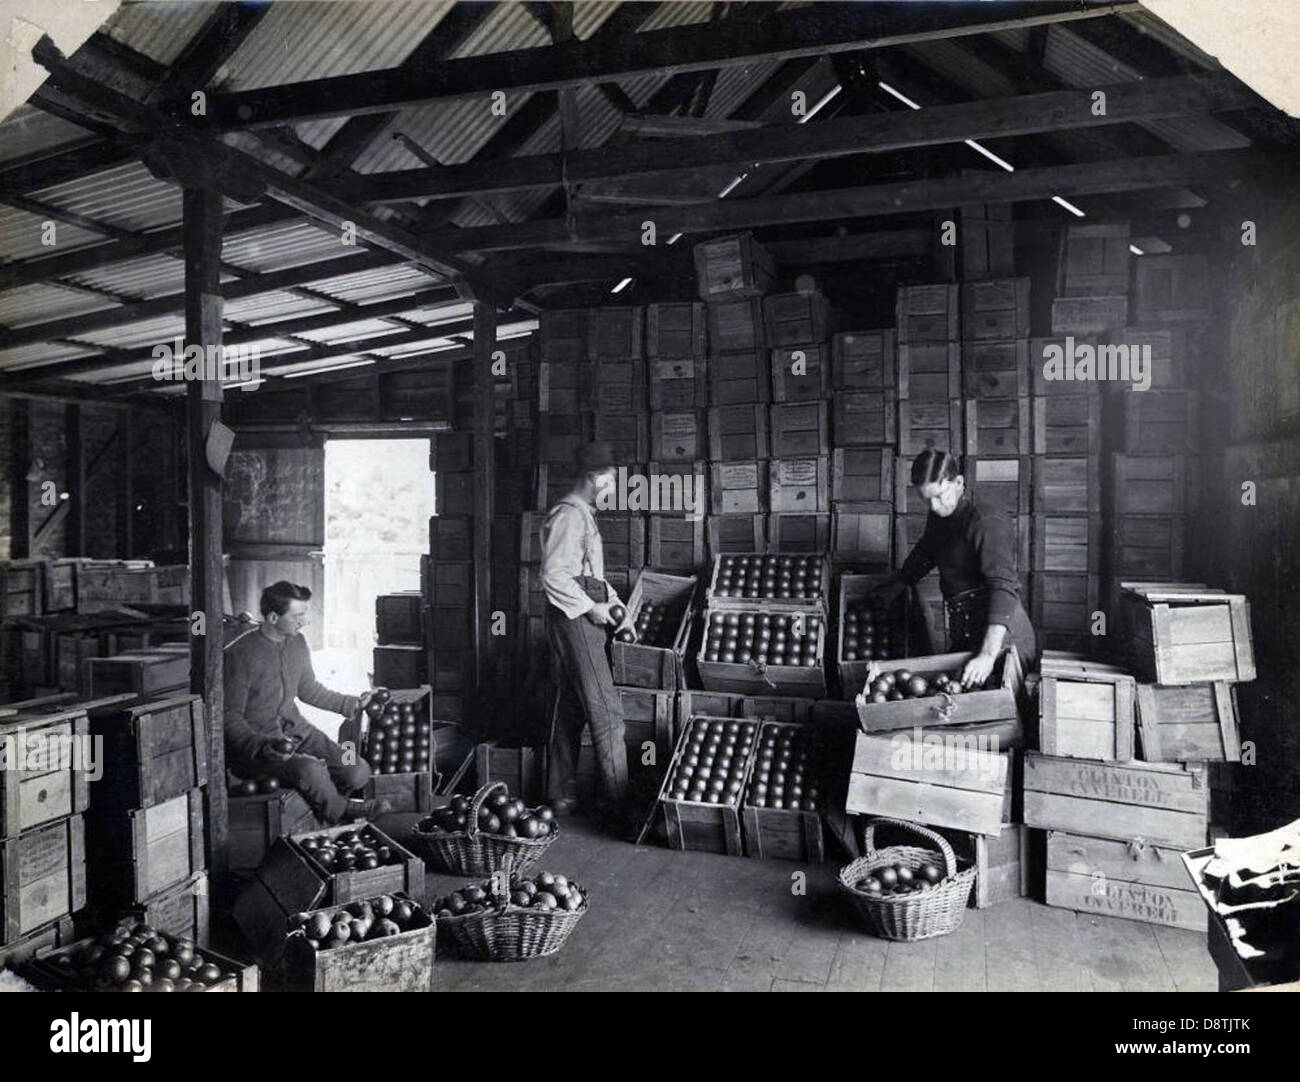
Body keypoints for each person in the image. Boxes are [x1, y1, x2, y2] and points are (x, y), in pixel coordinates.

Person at [224, 581, 383, 823]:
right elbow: (229, 716)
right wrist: (260, 744)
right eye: (297, 615)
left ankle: (325, 799)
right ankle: (340, 810)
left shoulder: (298, 643)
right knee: (310, 770)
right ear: (273, 617)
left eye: (304, 614)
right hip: (261, 748)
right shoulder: (239, 654)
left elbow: (309, 690)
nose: (304, 621)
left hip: (299, 732)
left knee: (356, 770)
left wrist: (351, 703)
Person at [874, 449, 1037, 686]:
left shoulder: (985, 521)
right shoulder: (940, 517)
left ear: (958, 482)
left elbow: (1002, 588)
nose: (934, 506)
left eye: (939, 496)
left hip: (1001, 637)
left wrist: (988, 655)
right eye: (926, 499)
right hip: (967, 631)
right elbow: (926, 552)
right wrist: (898, 584)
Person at [541, 440, 636, 833]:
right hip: (575, 620)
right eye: (611, 480)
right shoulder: (569, 516)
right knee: (608, 714)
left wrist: (619, 610)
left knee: (572, 709)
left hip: (583, 615)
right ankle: (620, 811)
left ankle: (559, 795)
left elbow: (591, 578)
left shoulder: (584, 515)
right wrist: (592, 610)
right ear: (595, 479)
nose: (613, 488)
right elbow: (554, 575)